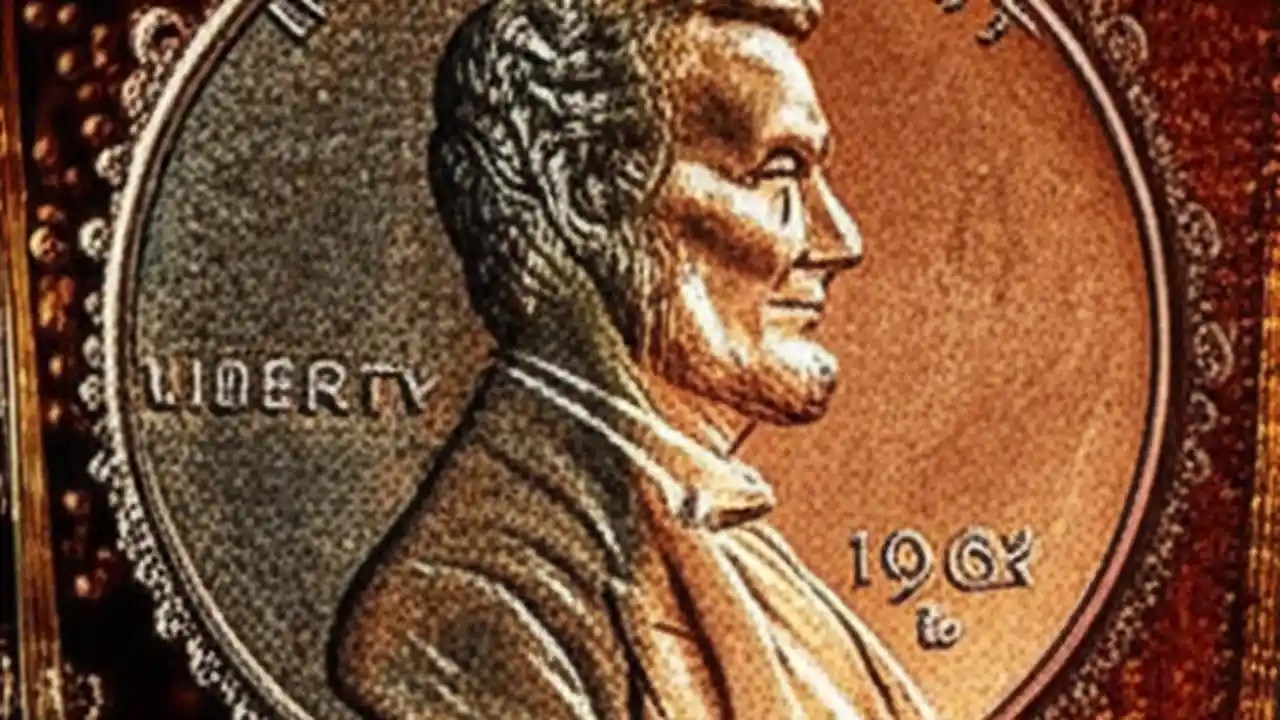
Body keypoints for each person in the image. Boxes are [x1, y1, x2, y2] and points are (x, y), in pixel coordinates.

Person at [328, 0, 936, 717]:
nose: (840, 239)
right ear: (583, 190)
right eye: (778, 173)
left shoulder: (743, 552)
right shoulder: (466, 615)